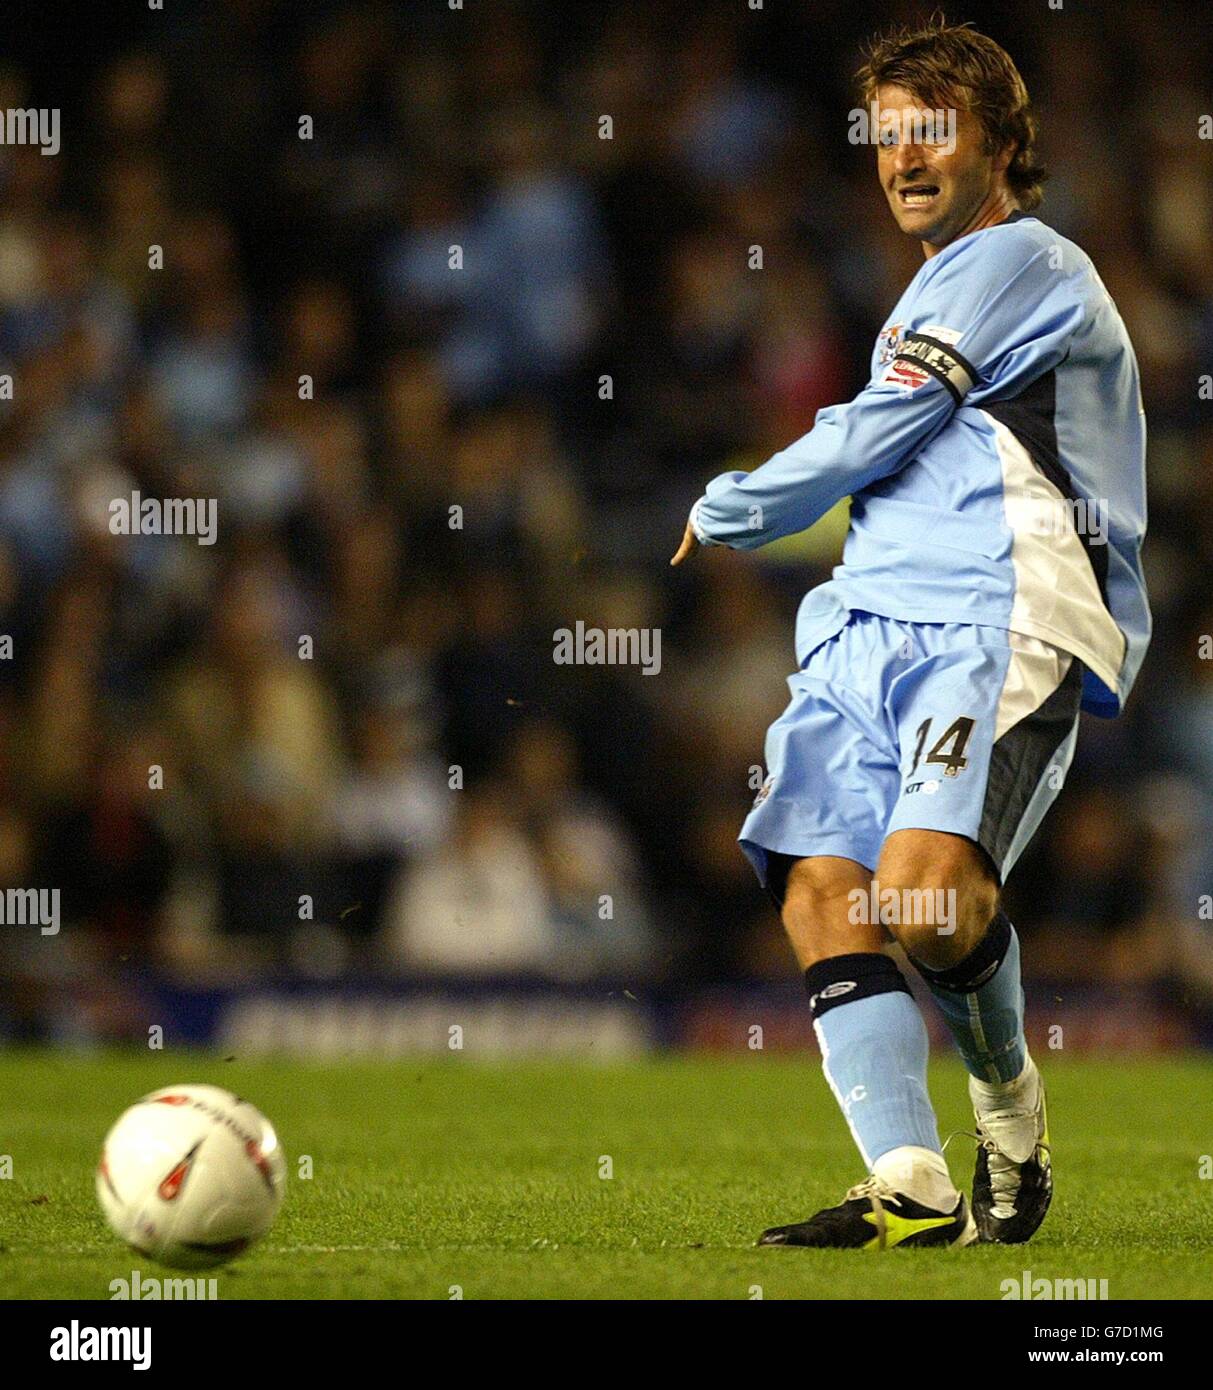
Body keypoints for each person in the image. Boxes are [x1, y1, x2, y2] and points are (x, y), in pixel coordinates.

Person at [671, 19, 1149, 1249]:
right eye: (884, 137)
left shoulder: (1025, 260)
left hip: (990, 620)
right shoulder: (924, 291)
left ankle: (1008, 1107)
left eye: (928, 130)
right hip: (860, 632)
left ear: (999, 137)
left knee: (926, 900)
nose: (901, 158)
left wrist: (731, 503)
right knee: (824, 889)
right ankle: (908, 1179)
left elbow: (878, 430)